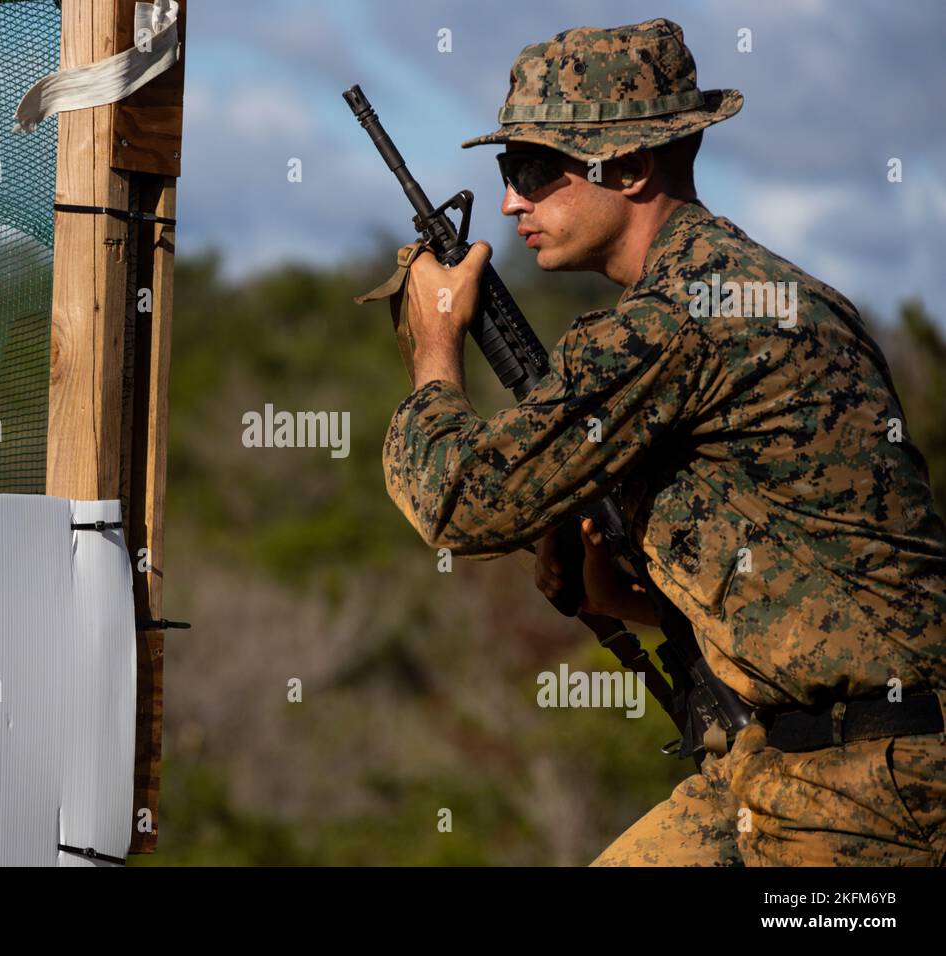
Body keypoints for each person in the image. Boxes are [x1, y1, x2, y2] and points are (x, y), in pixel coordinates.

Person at [382, 17, 946, 865]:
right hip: (785, 764)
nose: (509, 201)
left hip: (867, 791)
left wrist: (434, 347)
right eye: (509, 170)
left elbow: (464, 499)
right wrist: (613, 590)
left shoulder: (681, 319)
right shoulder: (747, 292)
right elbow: (815, 589)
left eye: (535, 170)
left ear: (634, 168)